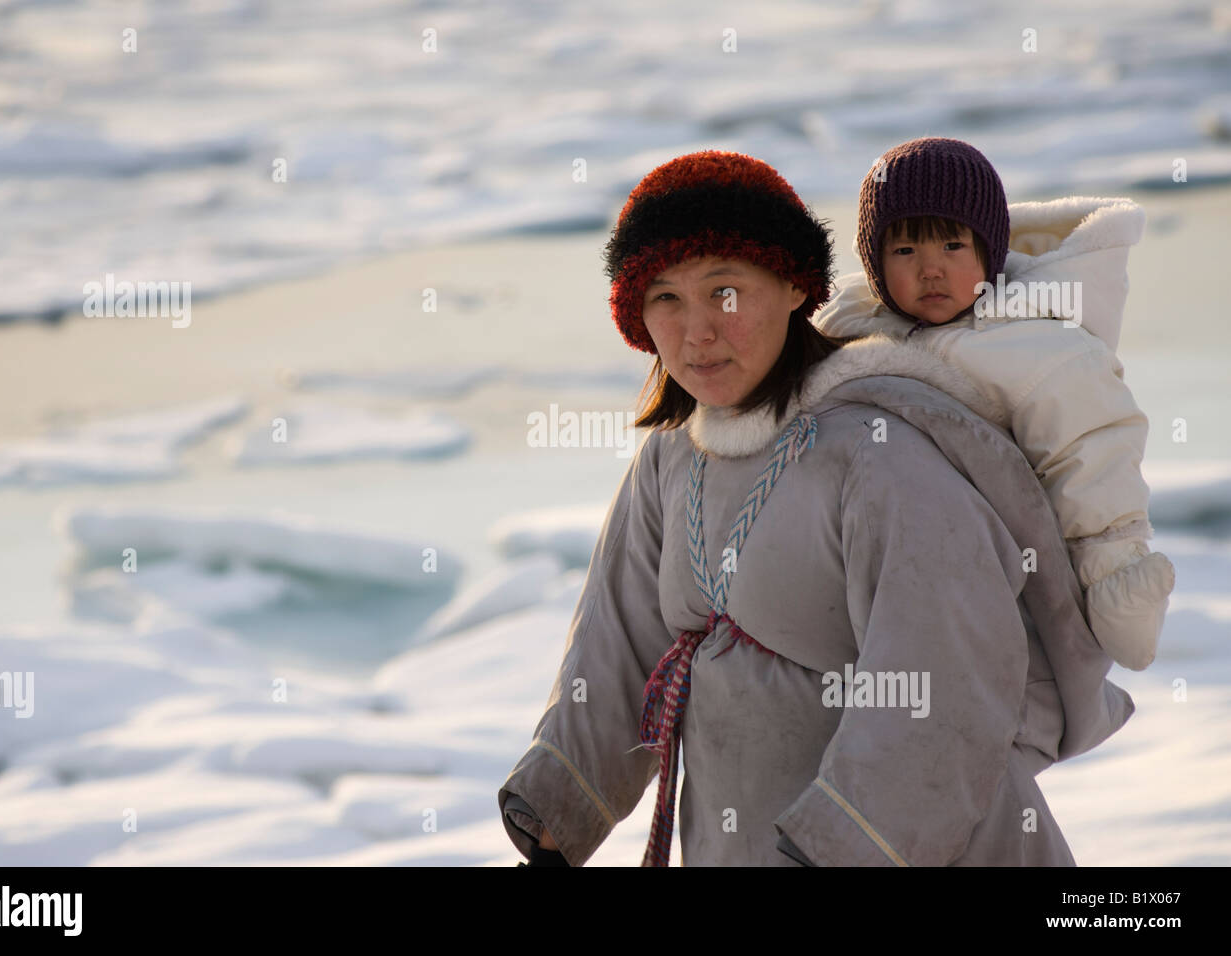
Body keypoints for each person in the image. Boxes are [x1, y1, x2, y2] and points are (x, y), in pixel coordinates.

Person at [500, 150, 1133, 867]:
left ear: (795, 286)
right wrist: (554, 812)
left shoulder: (879, 455)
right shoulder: (672, 457)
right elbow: (616, 643)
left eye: (725, 292)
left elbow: (943, 689)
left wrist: (836, 850)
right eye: (665, 299)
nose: (696, 330)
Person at [814, 137, 1175, 671]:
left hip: (1002, 571)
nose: (930, 269)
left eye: (953, 247)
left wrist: (1114, 574)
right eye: (905, 250)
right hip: (875, 565)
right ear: (873, 262)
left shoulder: (1037, 345)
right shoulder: (849, 325)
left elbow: (1092, 453)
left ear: (989, 250)